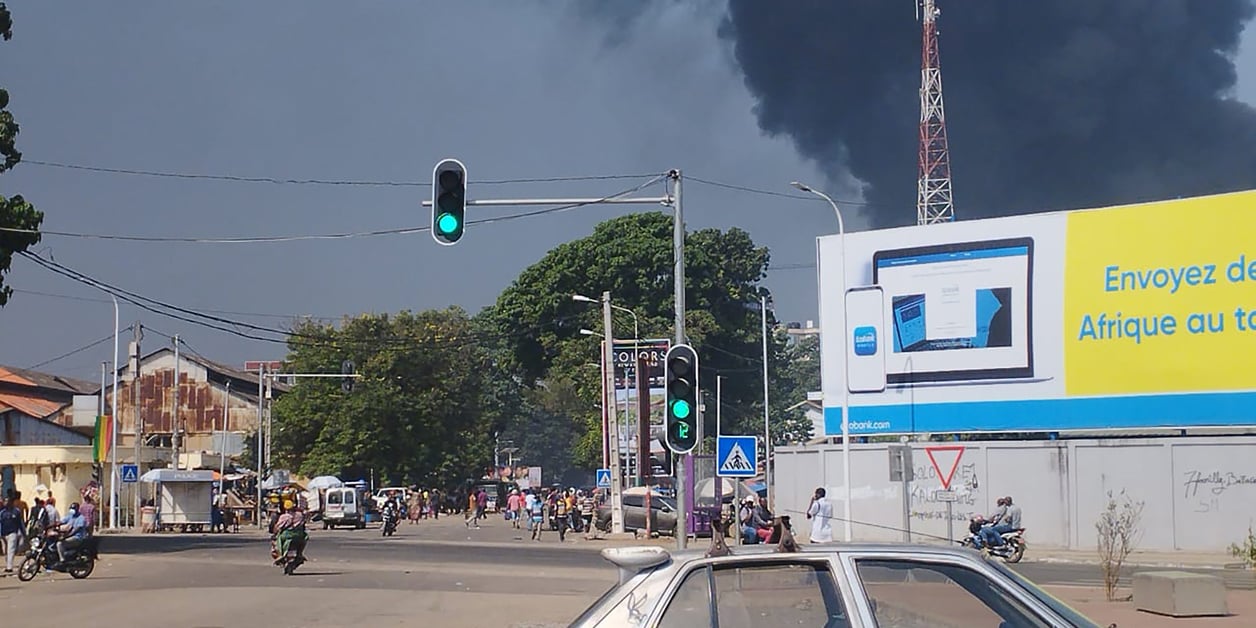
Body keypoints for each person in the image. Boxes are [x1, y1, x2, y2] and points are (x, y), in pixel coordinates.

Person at [1, 495, 25, 574]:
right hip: (3, 534)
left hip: (13, 533)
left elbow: (20, 523)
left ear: (11, 502)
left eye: (7, 501)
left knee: (10, 550)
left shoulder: (16, 511)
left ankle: (9, 567)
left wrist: (23, 533)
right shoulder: (2, 512)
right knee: (5, 551)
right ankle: (8, 564)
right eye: (5, 501)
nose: (6, 503)